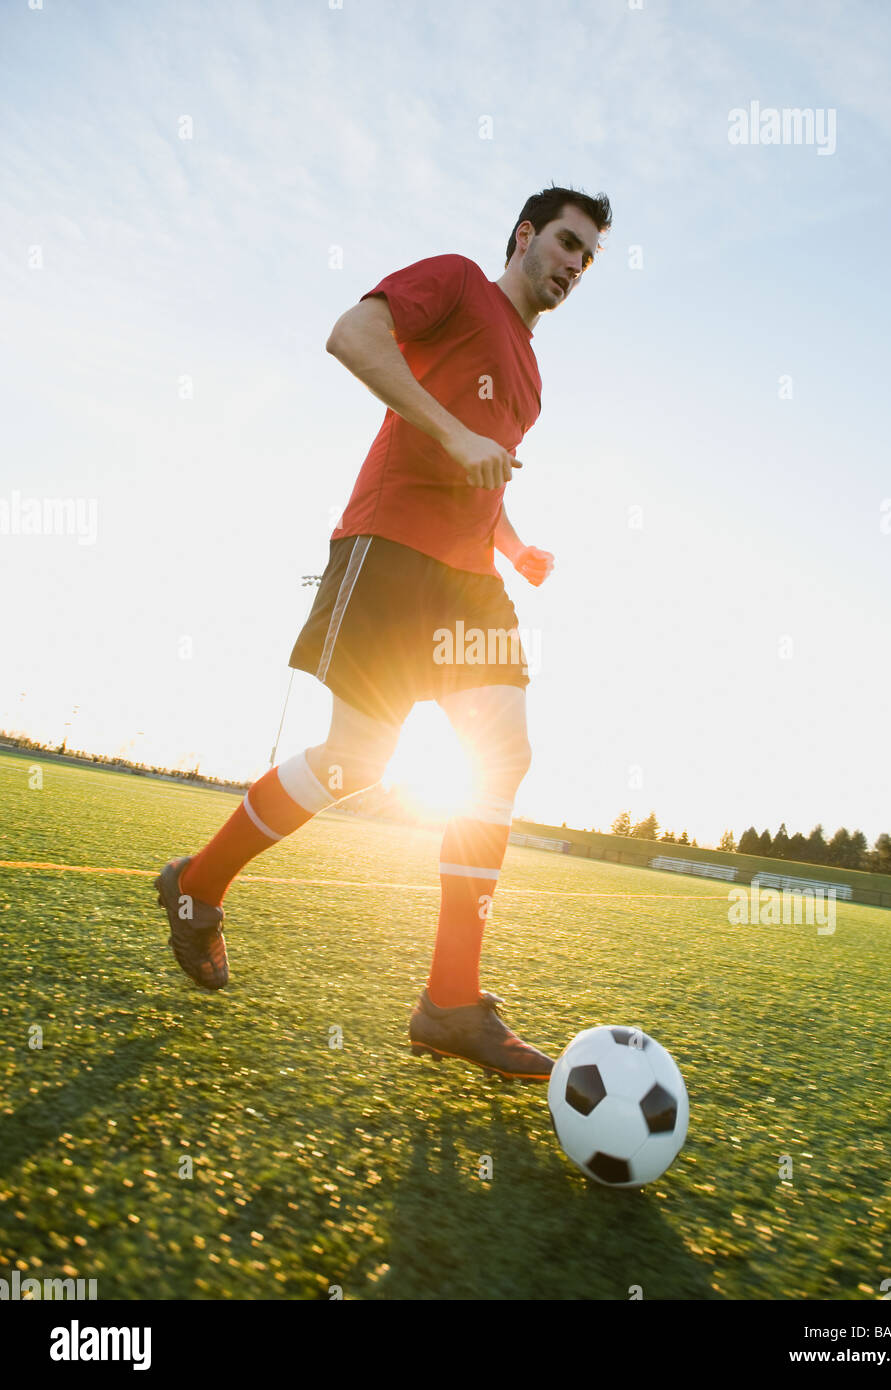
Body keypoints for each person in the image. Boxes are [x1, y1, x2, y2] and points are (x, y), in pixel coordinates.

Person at [154, 184, 612, 1082]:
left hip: (472, 584)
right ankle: (199, 885)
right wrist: (447, 434)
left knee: (502, 755)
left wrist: (514, 546)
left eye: (588, 259)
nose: (573, 265)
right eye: (565, 243)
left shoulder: (532, 375)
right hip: (391, 550)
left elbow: (489, 470)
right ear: (525, 236)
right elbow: (350, 336)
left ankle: (449, 1000)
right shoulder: (451, 280)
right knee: (357, 758)